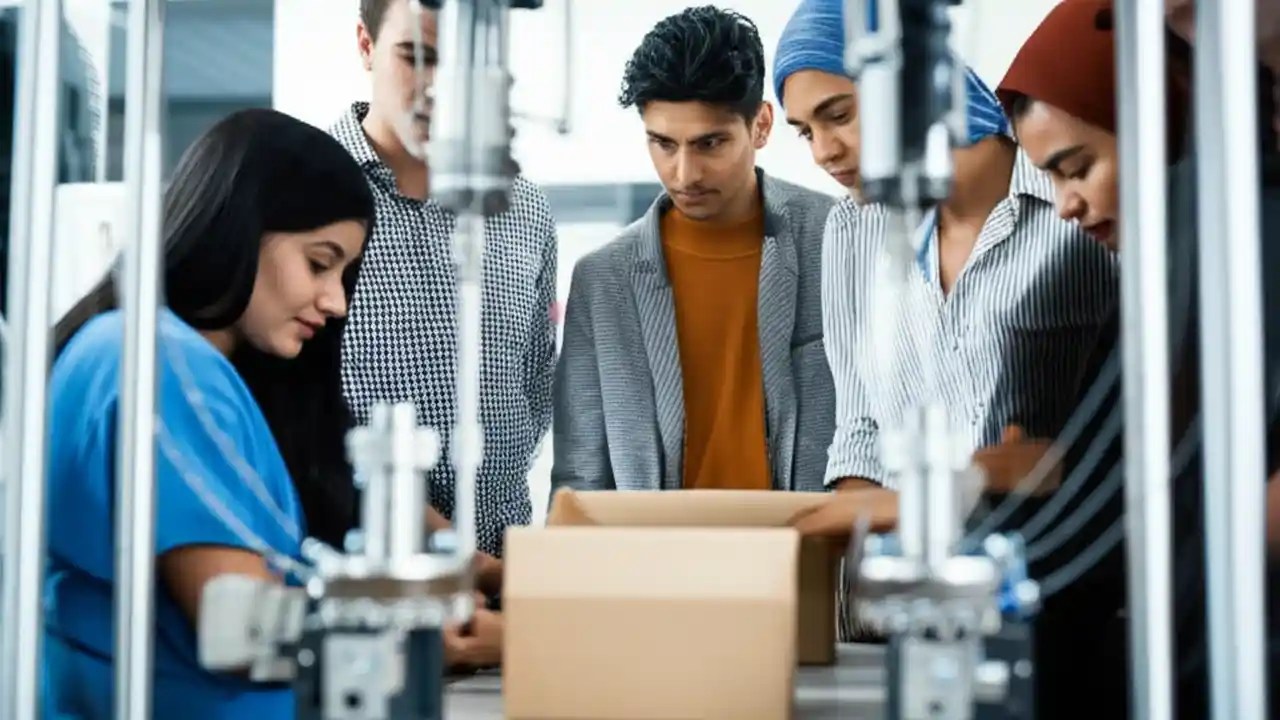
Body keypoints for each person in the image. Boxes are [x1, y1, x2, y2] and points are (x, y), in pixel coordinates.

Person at [43, 109, 372, 719]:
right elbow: (241, 631)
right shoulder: (163, 361)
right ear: (242, 226)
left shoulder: (152, 356)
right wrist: (413, 638)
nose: (336, 301)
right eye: (319, 263)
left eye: (345, 274)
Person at [772, 0, 1118, 536]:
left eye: (839, 115)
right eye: (804, 131)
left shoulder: (1076, 205)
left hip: (1058, 563)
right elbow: (860, 428)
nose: (822, 151)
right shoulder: (851, 230)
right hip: (909, 577)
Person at [550, 6, 837, 496]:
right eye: (663, 143)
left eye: (710, 144)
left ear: (762, 126)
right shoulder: (603, 280)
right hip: (654, 566)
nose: (684, 173)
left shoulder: (836, 238)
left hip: (806, 559)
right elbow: (579, 484)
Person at [333, 1, 558, 584]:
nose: (439, 87)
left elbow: (533, 388)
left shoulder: (522, 207)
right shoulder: (310, 192)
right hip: (362, 574)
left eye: (460, 64)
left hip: (503, 576)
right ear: (365, 45)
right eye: (417, 57)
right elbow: (294, 417)